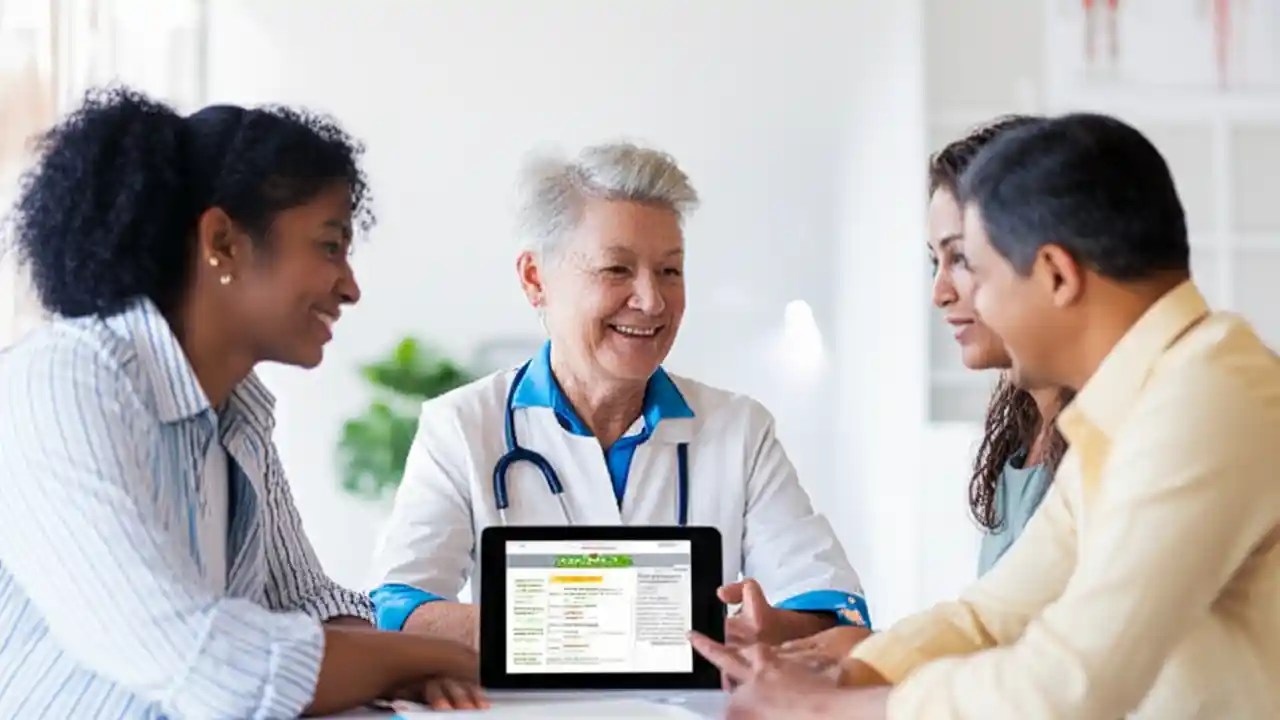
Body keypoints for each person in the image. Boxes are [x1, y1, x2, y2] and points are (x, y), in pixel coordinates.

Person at [691, 113, 1280, 719]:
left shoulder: (1208, 398)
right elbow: (989, 615)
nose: (965, 298)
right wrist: (841, 673)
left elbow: (1069, 681)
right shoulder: (1135, 408)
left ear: (1055, 274)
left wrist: (828, 707)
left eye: (979, 270)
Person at [0, 87, 486, 718]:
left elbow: (308, 605)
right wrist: (440, 658)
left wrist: (402, 670)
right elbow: (211, 665)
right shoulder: (64, 380)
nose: (350, 286)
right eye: (330, 245)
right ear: (223, 242)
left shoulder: (237, 415)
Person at [369, 142, 870, 649]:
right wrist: (626, 630)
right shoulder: (461, 425)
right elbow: (397, 608)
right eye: (617, 269)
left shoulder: (740, 431)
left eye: (670, 271)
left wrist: (769, 629)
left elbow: (837, 616)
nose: (652, 301)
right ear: (535, 278)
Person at [772, 116, 1074, 668]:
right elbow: (992, 632)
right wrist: (867, 655)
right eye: (935, 261)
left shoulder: (1118, 442)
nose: (939, 291)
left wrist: (869, 672)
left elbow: (1048, 673)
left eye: (960, 258)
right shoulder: (1021, 436)